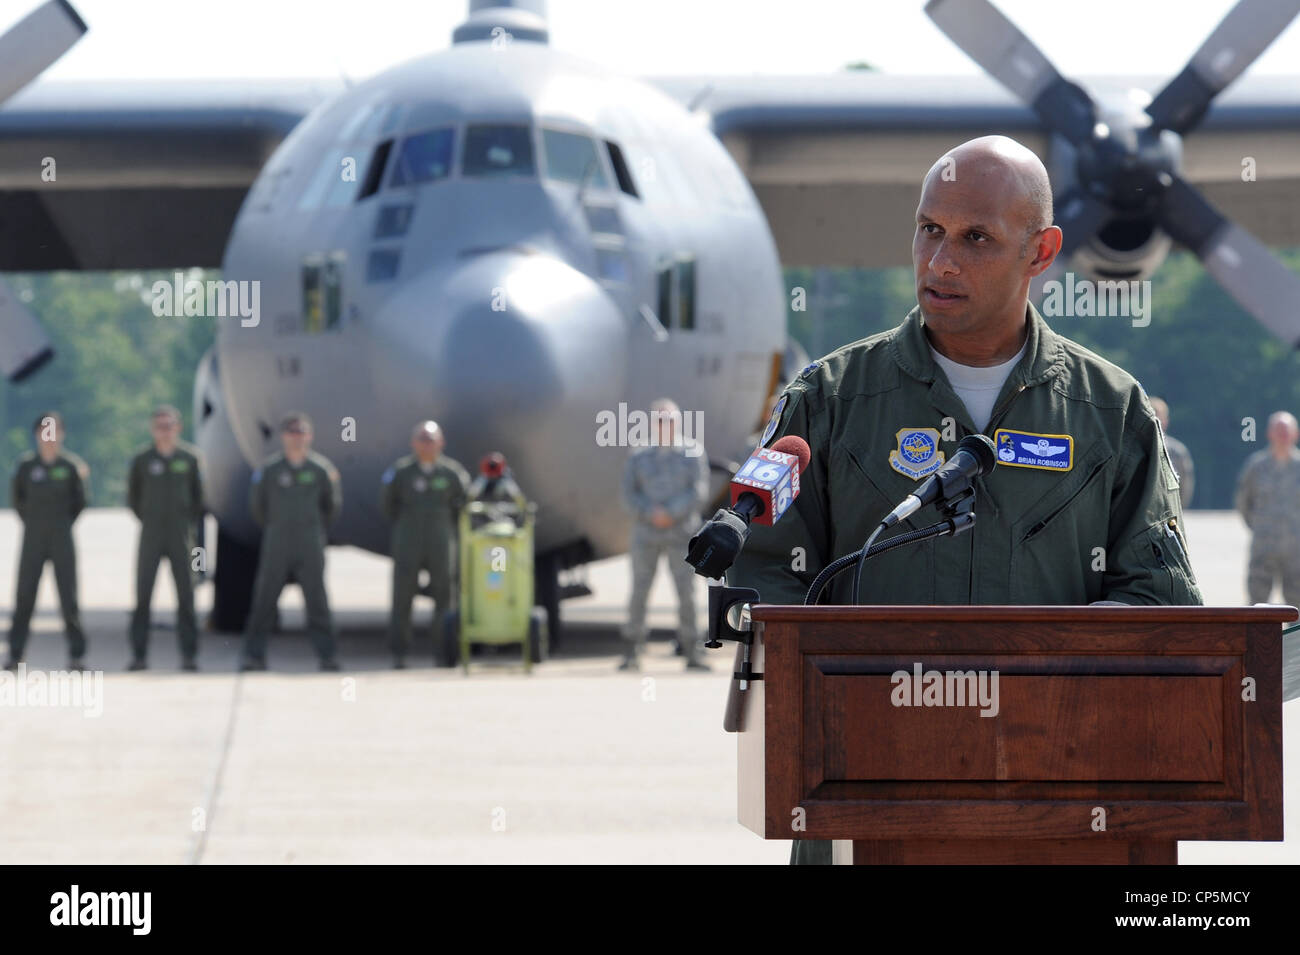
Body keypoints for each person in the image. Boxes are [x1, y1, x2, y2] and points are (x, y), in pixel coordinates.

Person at [729, 135, 1201, 864]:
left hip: (1065, 810)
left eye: (976, 237)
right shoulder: (828, 400)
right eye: (929, 230)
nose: (941, 261)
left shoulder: (1111, 412)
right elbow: (763, 573)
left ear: (1041, 253)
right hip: (866, 802)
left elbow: (1162, 602)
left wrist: (1057, 664)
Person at [240, 412, 342, 671]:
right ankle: (254, 655)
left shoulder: (321, 471)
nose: (297, 437)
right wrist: (277, 527)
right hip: (278, 542)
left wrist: (312, 528)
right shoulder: (270, 471)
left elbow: (331, 507)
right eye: (292, 432)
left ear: (310, 436)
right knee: (265, 599)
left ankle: (327, 655)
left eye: (301, 432)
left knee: (317, 600)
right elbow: (258, 507)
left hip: (309, 542)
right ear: (284, 437)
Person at [620, 398, 710, 672]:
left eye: (670, 420)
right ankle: (633, 649)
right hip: (647, 533)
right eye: (660, 420)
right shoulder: (638, 456)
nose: (665, 425)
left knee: (687, 593)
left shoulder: (693, 453)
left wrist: (671, 512)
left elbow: (699, 491)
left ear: (678, 422)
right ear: (652, 423)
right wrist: (651, 513)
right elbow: (628, 494)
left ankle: (692, 650)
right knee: (639, 590)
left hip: (680, 533)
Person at [5, 412, 90, 671]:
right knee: (24, 596)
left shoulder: (71, 467)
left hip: (62, 537)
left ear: (62, 433)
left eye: (54, 430)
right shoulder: (27, 467)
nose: (50, 436)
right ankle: (15, 654)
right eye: (44, 430)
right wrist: (35, 523)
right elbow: (18, 502)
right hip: (33, 538)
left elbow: (80, 502)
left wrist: (60, 524)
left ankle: (76, 655)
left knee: (69, 597)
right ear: (37, 434)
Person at [381, 421, 469, 668]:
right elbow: (388, 506)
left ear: (441, 443)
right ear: (413, 443)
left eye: (431, 439)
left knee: (445, 595)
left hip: (441, 541)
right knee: (402, 595)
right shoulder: (401, 473)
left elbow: (462, 506)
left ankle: (444, 650)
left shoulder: (451, 474)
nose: (426, 444)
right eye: (422, 439)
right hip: (408, 540)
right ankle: (399, 651)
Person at [127, 405, 205, 671]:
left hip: (182, 535)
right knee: (143, 596)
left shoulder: (190, 458)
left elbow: (198, 499)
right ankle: (139, 655)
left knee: (186, 596)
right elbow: (133, 497)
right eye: (160, 426)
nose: (165, 431)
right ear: (153, 429)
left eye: (169, 425)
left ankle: (189, 655)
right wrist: (150, 517)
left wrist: (183, 521)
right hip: (151, 533)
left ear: (178, 428)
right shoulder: (143, 460)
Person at [1235, 411, 1300, 605]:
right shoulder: (1256, 466)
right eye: (1278, 430)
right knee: (1257, 607)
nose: (1283, 436)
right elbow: (1244, 502)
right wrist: (1260, 527)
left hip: (1296, 552)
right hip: (1263, 549)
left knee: (1297, 610)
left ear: (1295, 434)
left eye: (1286, 431)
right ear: (1269, 434)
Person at [1149, 397, 1194, 508]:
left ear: (1166, 420)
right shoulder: (1132, 449)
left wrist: (1177, 511)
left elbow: (1185, 486)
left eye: (1158, 416)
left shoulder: (1177, 452)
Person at [468, 452, 528, 518]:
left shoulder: (505, 480)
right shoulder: (483, 479)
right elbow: (473, 492)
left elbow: (516, 494)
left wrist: (523, 505)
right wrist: (467, 502)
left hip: (503, 507)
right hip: (484, 507)